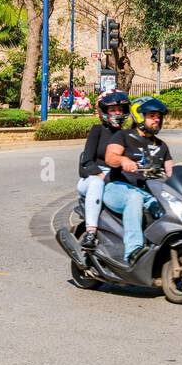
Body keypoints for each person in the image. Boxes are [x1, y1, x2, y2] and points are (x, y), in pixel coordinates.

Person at [102, 97, 173, 263]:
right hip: (118, 188)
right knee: (135, 198)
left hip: (149, 193)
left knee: (170, 211)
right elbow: (110, 156)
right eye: (153, 115)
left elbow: (171, 170)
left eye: (159, 116)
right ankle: (133, 253)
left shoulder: (161, 146)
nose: (157, 119)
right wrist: (123, 160)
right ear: (140, 116)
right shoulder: (124, 136)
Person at [77, 91, 130, 250]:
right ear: (105, 112)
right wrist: (101, 175)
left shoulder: (127, 135)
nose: (117, 113)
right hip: (92, 179)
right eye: (113, 110)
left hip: (114, 179)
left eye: (120, 110)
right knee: (97, 183)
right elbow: (87, 161)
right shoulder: (97, 130)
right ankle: (91, 232)